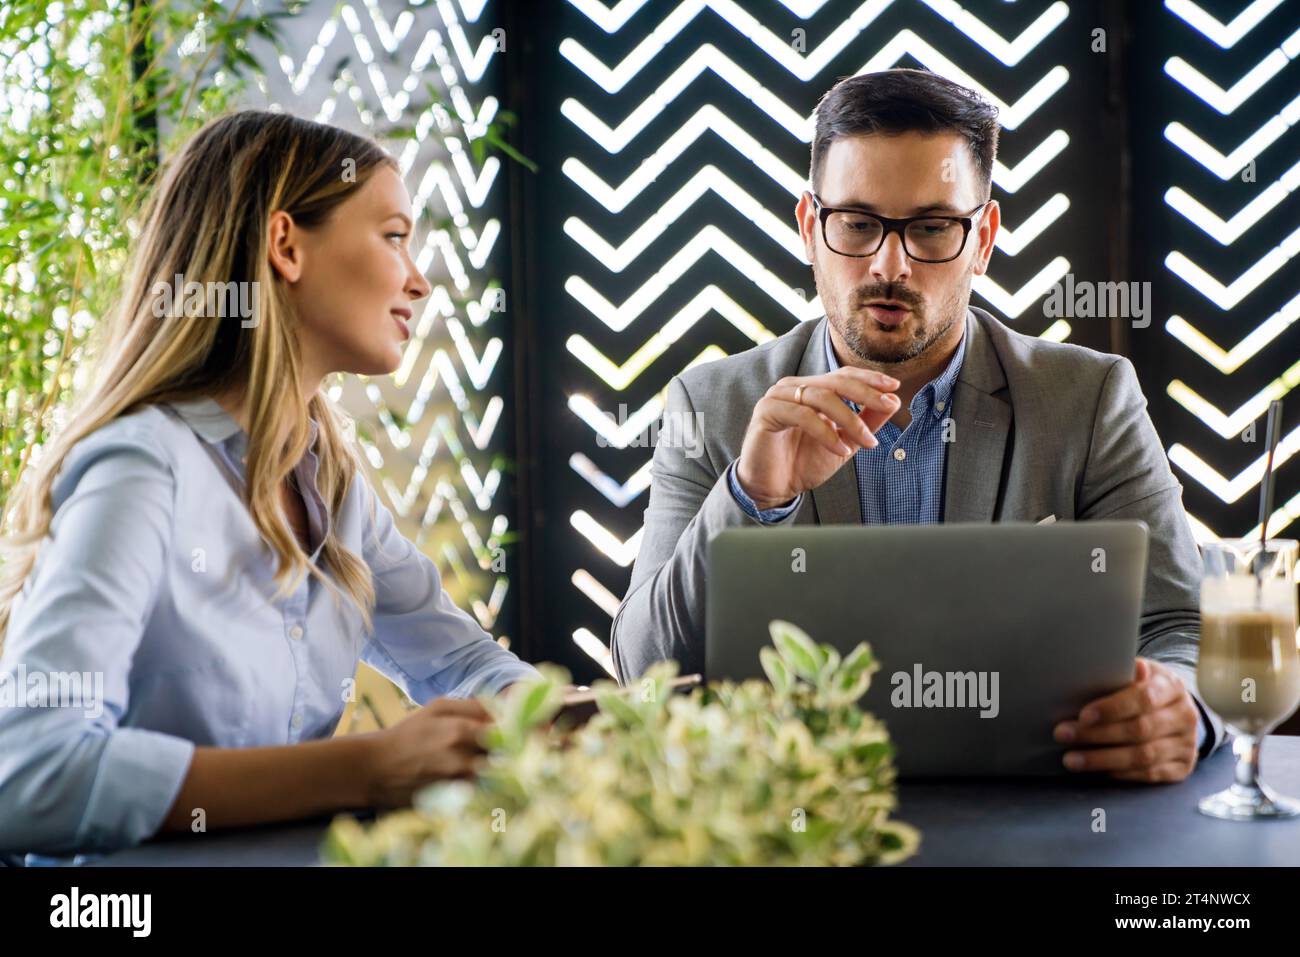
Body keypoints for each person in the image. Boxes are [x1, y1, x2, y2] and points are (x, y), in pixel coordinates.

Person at [610, 69, 1222, 784]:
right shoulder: (711, 403)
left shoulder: (1090, 399)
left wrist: (1182, 706)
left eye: (932, 227)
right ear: (811, 227)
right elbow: (644, 672)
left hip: (1031, 813)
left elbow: (1184, 627)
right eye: (858, 224)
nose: (888, 265)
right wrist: (751, 495)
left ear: (983, 237)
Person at [0, 110, 538, 859]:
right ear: (286, 245)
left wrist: (538, 716)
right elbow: (30, 777)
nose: (418, 281)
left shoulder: (334, 482)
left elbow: (464, 662)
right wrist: (367, 768)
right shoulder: (144, 465)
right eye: (393, 236)